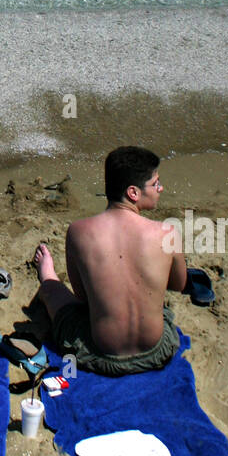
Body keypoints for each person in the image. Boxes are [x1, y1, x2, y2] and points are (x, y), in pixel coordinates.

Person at [31, 146, 186, 377]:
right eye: (155, 184)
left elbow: (82, 299)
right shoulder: (168, 233)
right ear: (133, 193)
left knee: (52, 290)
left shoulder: (79, 231)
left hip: (99, 354)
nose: (160, 188)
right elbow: (179, 284)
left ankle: (47, 274)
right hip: (157, 352)